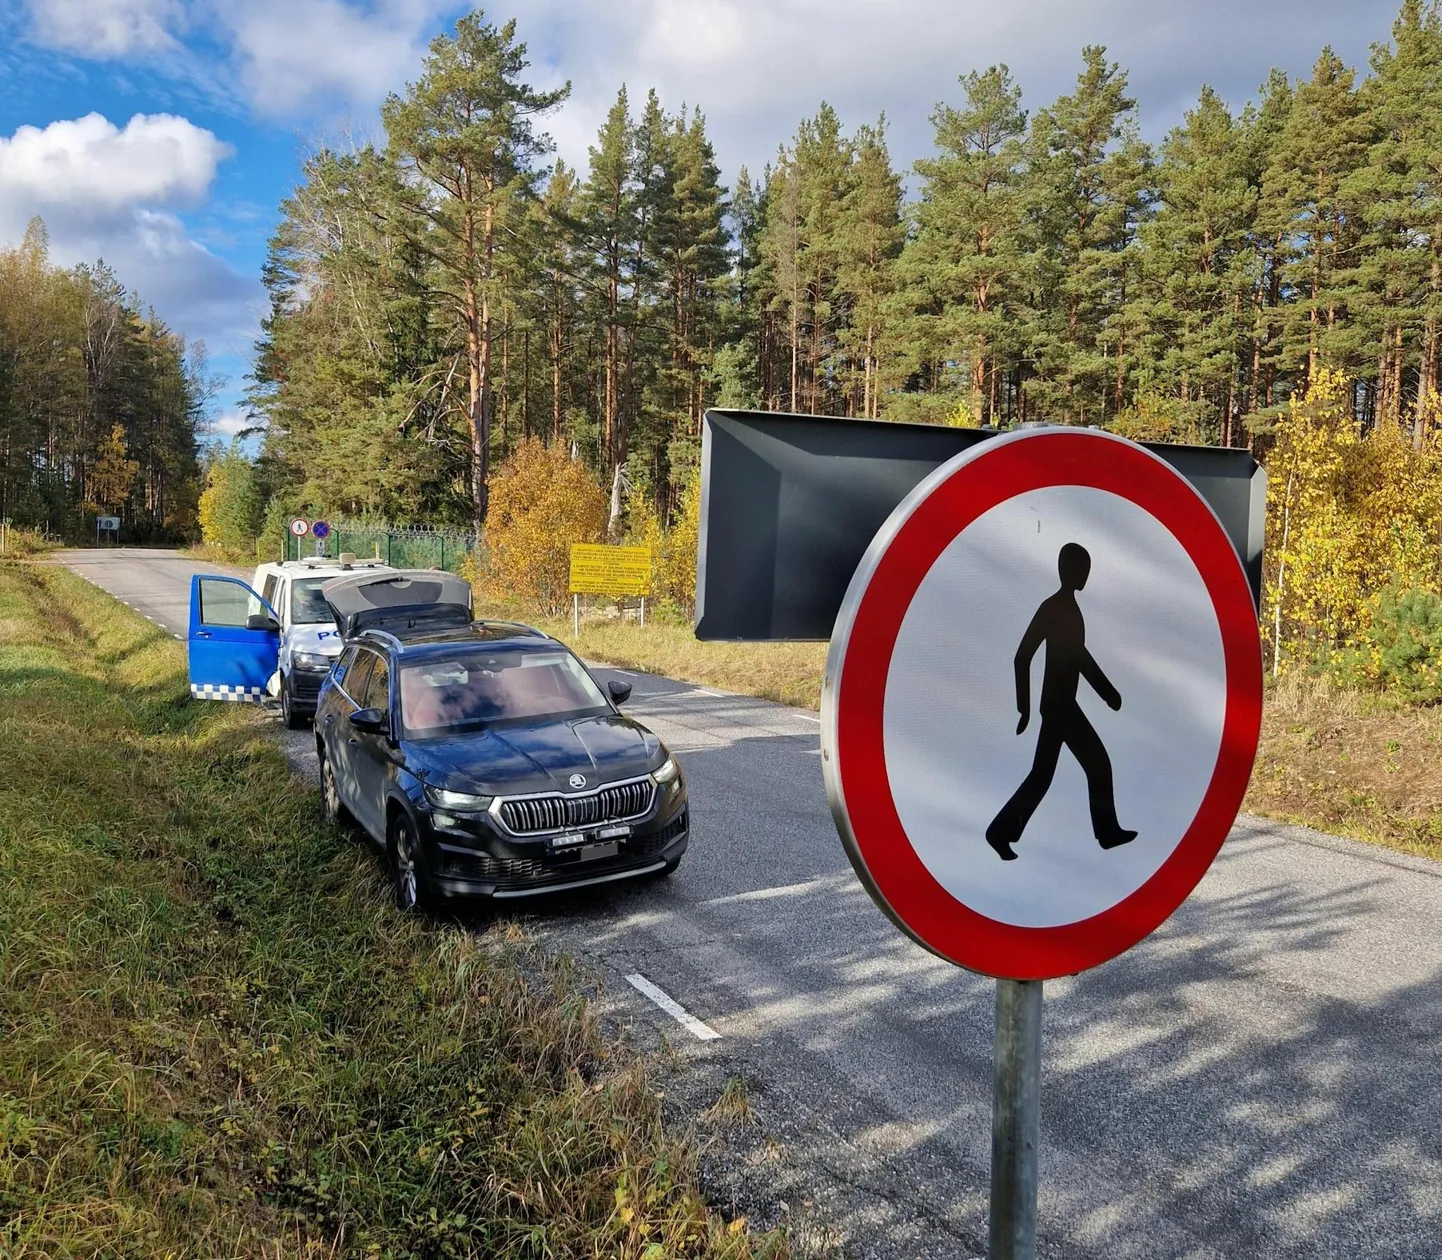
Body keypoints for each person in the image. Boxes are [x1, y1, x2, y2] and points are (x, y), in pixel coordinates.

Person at [985, 542, 1136, 861]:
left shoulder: (1065, 607)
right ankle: (1106, 833)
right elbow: (1023, 657)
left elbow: (1076, 656)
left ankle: (999, 832)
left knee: (1042, 776)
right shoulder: (1056, 608)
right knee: (1097, 763)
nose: (1086, 574)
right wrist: (1022, 707)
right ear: (1067, 570)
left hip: (1059, 704)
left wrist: (1107, 693)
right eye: (1082, 568)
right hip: (1060, 707)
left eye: (1088, 568)